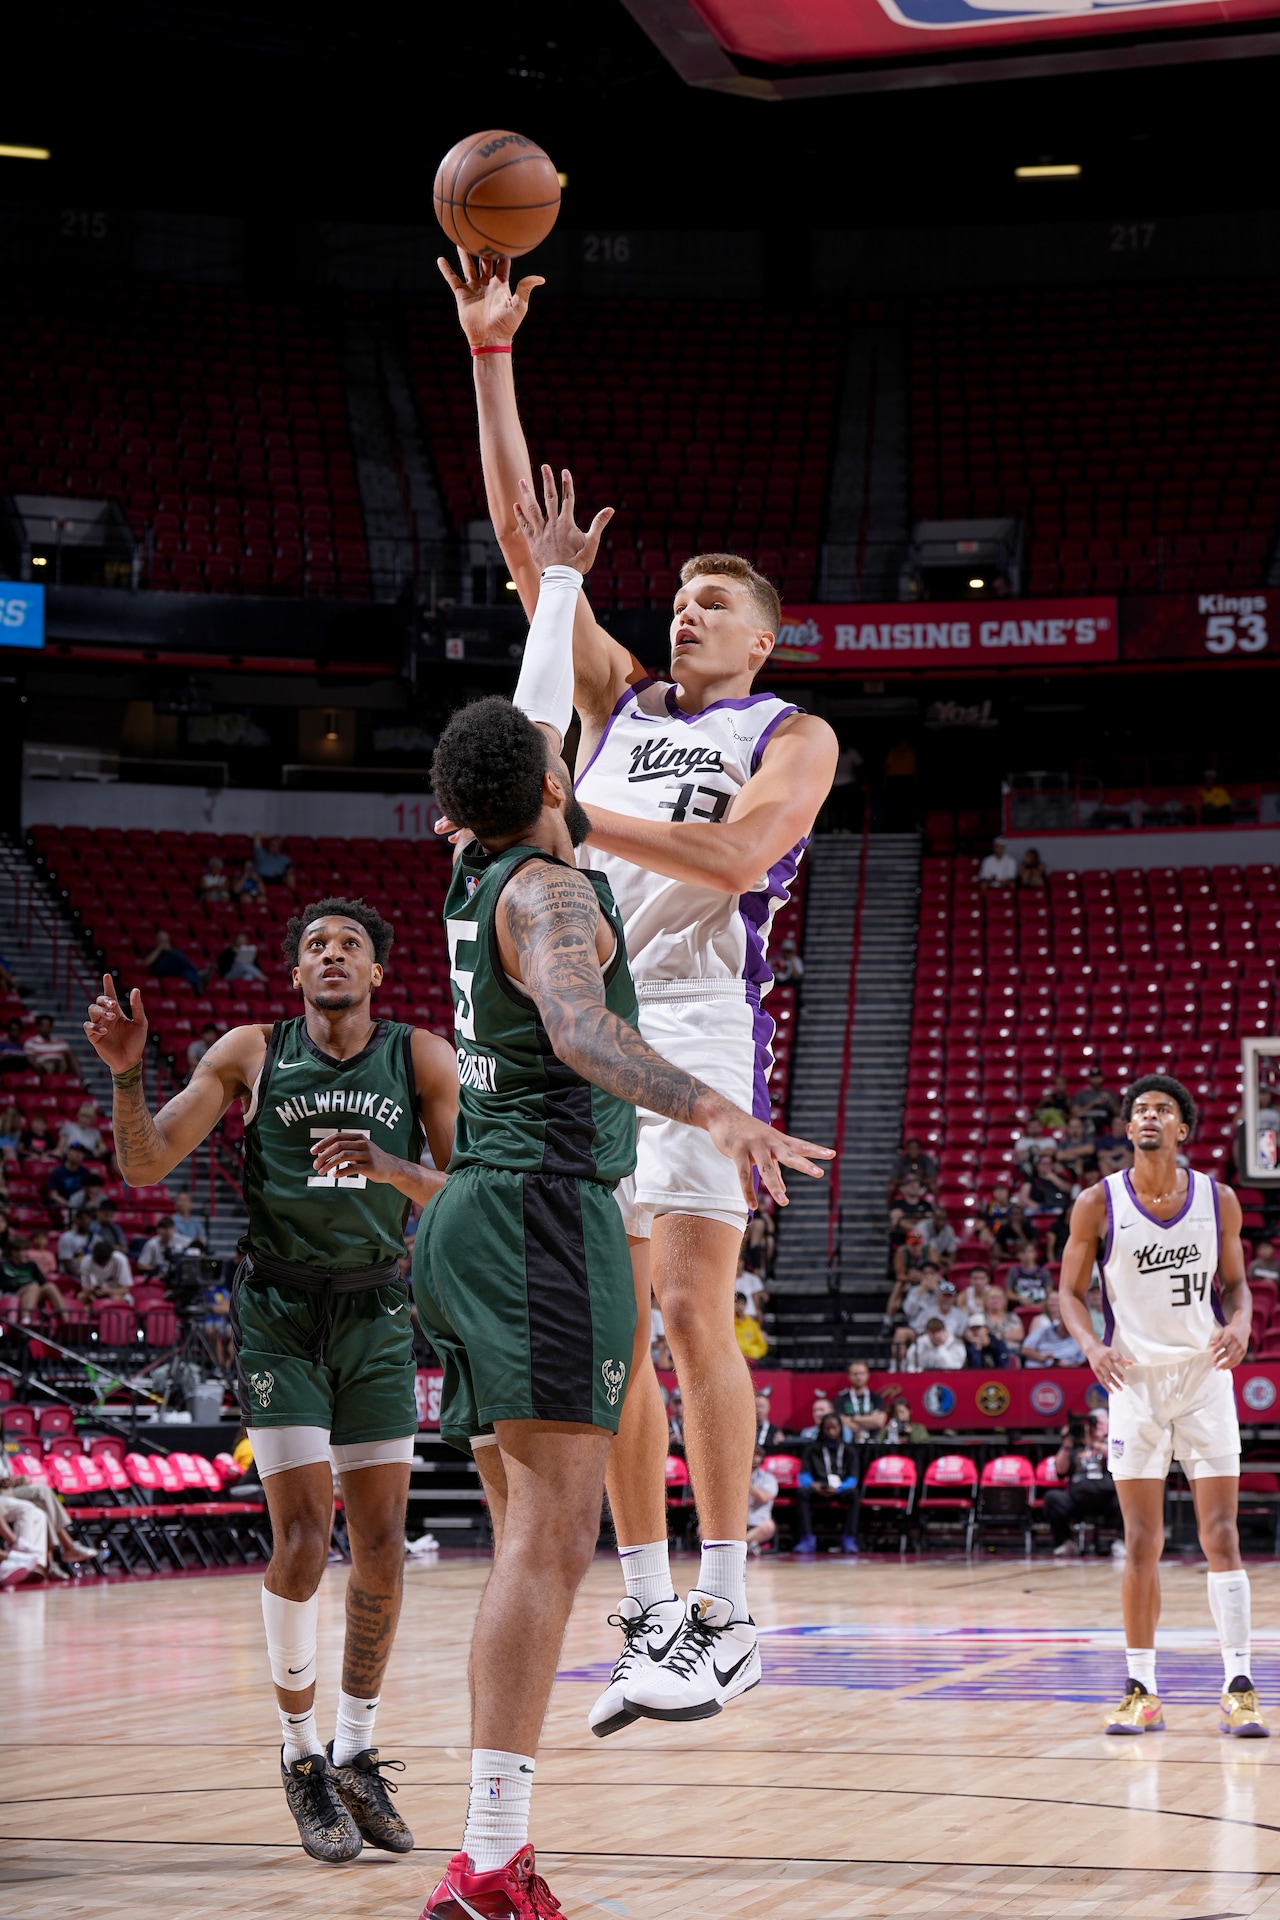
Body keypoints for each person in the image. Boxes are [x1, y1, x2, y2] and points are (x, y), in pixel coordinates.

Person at [441, 264, 841, 1733]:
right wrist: (492, 358)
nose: (683, 614)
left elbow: (741, 856)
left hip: (686, 1007)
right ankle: (657, 1609)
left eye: (712, 603)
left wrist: (566, 819)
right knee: (607, 1328)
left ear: (762, 639)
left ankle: (731, 1606)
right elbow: (525, 556)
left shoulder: (789, 730)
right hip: (574, 1001)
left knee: (684, 1303)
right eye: (676, 598)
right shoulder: (619, 707)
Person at [415, 685, 830, 1917]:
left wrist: (547, 577)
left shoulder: (473, 874)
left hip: (471, 1213)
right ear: (554, 789)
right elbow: (579, 1024)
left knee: (522, 1543)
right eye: (564, 759)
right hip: (542, 1210)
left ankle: (499, 1848)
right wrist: (706, 1102)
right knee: (546, 1545)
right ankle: (489, 1860)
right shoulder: (547, 892)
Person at [85, 895, 461, 1863]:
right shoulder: (253, 1050)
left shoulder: (418, 1058)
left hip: (376, 1311)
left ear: (379, 972)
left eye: (349, 945)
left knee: (380, 1543)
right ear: (295, 975)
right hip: (280, 1313)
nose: (330, 954)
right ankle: (299, 1756)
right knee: (303, 1535)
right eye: (313, 946)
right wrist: (128, 1078)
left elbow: (470, 1191)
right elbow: (144, 1161)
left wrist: (392, 1166)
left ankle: (356, 1750)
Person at [1058, 1073, 1266, 1738]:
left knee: (1221, 1536)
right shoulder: (1097, 1202)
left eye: (1163, 1109)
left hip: (1204, 1378)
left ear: (1182, 1128)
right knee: (1141, 1542)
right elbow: (1068, 1291)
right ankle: (1142, 1689)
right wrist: (1090, 1342)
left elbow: (1237, 1288)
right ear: (1129, 1127)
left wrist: (1240, 1324)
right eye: (1140, 1108)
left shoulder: (1219, 1199)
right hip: (1135, 1386)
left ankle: (1239, 1686)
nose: (1149, 1115)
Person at [1045, 1411, 1121, 1559]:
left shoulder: (1115, 1442)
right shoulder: (1077, 1446)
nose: (1097, 1427)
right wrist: (1067, 1442)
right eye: (1094, 1423)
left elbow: (1117, 1457)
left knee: (1126, 1498)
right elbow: (1060, 1469)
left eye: (1101, 1423)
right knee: (1053, 1498)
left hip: (1107, 1499)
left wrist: (1094, 1444)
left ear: (1109, 1426)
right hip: (1078, 1499)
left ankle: (1120, 1542)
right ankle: (1066, 1542)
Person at [792, 1413, 859, 1554]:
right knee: (801, 1493)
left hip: (840, 1489)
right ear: (822, 1429)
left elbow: (853, 1478)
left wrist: (839, 1488)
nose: (831, 1432)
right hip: (819, 1487)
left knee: (854, 1495)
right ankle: (806, 1538)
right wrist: (813, 1485)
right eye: (827, 1428)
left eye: (834, 1428)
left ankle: (849, 1538)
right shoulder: (812, 1449)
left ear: (840, 1428)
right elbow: (803, 1474)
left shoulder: (849, 1450)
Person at [1021, 1292, 1084, 1368]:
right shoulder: (1043, 1330)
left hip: (1066, 1373)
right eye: (1065, 1321)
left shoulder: (1079, 1338)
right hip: (1040, 1369)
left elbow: (1079, 1363)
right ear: (1060, 1320)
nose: (1067, 1326)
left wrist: (1068, 1365)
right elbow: (1025, 1350)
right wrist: (1042, 1358)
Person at [835, 1359, 887, 1439]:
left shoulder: (876, 1398)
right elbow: (841, 1422)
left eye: (862, 1374)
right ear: (849, 1376)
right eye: (855, 1374)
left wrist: (853, 1418)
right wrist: (869, 1421)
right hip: (849, 1442)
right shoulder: (841, 1399)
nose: (859, 1377)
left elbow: (879, 1422)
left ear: (868, 1375)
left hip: (874, 1441)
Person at [886, 1137, 939, 1204]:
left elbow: (933, 1178)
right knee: (891, 1188)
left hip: (921, 1186)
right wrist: (904, 1180)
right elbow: (892, 1179)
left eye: (915, 1148)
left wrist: (921, 1179)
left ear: (919, 1150)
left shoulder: (926, 1160)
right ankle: (891, 1210)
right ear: (907, 1150)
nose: (913, 1151)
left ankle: (936, 1208)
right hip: (904, 1185)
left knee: (933, 1186)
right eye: (911, 1148)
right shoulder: (900, 1160)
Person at [24, 1013, 77, 1077]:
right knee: (47, 1065)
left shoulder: (60, 1041)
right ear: (38, 1027)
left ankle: (80, 1081)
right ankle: (45, 1082)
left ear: (51, 1027)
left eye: (48, 1026)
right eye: (43, 1025)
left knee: (71, 1054)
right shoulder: (31, 1042)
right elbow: (31, 1059)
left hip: (61, 1065)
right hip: (43, 1066)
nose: (46, 1028)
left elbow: (68, 1056)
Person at [746, 1448, 778, 1554]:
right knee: (702, 1529)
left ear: (762, 1458)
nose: (754, 1458)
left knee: (769, 1526)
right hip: (736, 1522)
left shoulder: (769, 1478)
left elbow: (764, 1497)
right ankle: (749, 1545)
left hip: (757, 1523)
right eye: (752, 1453)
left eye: (758, 1455)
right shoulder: (732, 1477)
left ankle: (737, 1545)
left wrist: (745, 1482)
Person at [1072, 1065, 1122, 1133]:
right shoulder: (1081, 1094)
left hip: (1104, 1122)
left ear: (1102, 1078)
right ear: (1089, 1079)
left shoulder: (1110, 1094)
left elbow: (1119, 1113)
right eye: (1093, 1077)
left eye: (1098, 1077)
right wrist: (1093, 1103)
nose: (1096, 1080)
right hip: (1086, 1122)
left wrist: (1110, 1101)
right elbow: (1075, 1113)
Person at [734, 1292, 769, 1362]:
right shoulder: (731, 1324)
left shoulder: (753, 1324)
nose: (740, 1307)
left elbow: (762, 1346)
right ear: (734, 1305)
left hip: (752, 1359)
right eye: (738, 1304)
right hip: (735, 1359)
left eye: (742, 1304)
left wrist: (752, 1353)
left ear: (746, 1305)